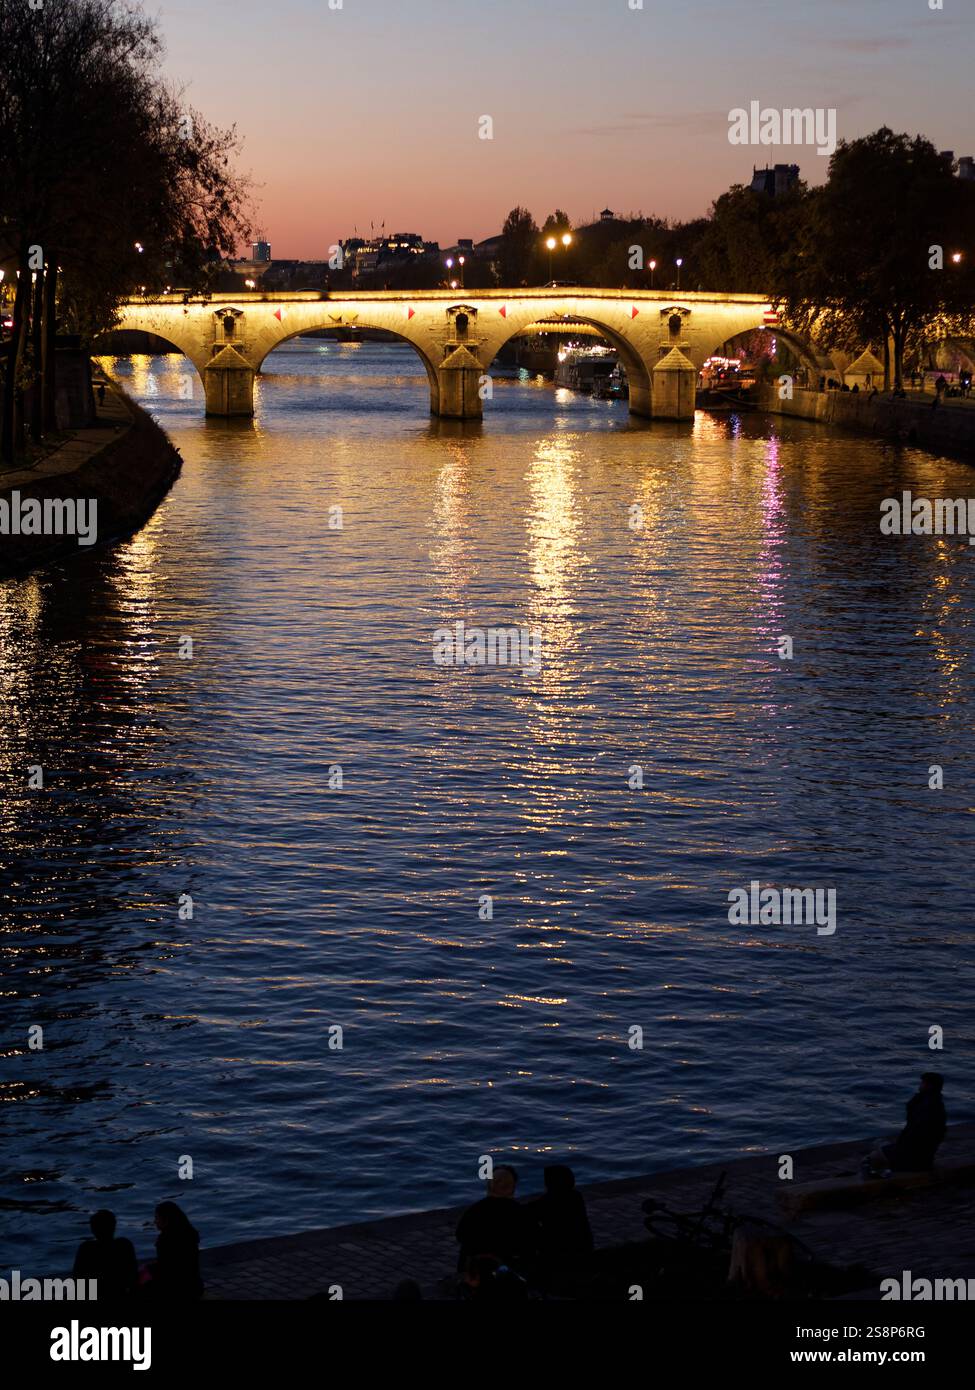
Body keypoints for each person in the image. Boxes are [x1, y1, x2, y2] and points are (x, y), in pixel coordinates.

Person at [455, 1165, 534, 1274]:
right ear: (513, 1186)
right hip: (510, 1269)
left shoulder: (475, 1210)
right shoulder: (521, 1212)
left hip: (476, 1270)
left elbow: (461, 1235)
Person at [865, 1073, 946, 1176]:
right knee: (879, 1145)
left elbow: (915, 1138)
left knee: (874, 1156)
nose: (920, 1085)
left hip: (914, 1158)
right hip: (922, 1155)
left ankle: (877, 1178)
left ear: (928, 1086)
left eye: (922, 1083)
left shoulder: (926, 1109)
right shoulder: (936, 1105)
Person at [141, 1202, 203, 1299]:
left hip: (177, 1288)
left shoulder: (165, 1240)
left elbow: (166, 1270)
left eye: (157, 1218)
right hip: (194, 1285)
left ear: (166, 1220)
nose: (155, 1221)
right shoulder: (189, 1234)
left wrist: (148, 1270)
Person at [72, 1210, 138, 1298]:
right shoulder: (124, 1245)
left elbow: (77, 1278)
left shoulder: (86, 1248)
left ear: (92, 1230)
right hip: (119, 1293)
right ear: (114, 1226)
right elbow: (132, 1273)